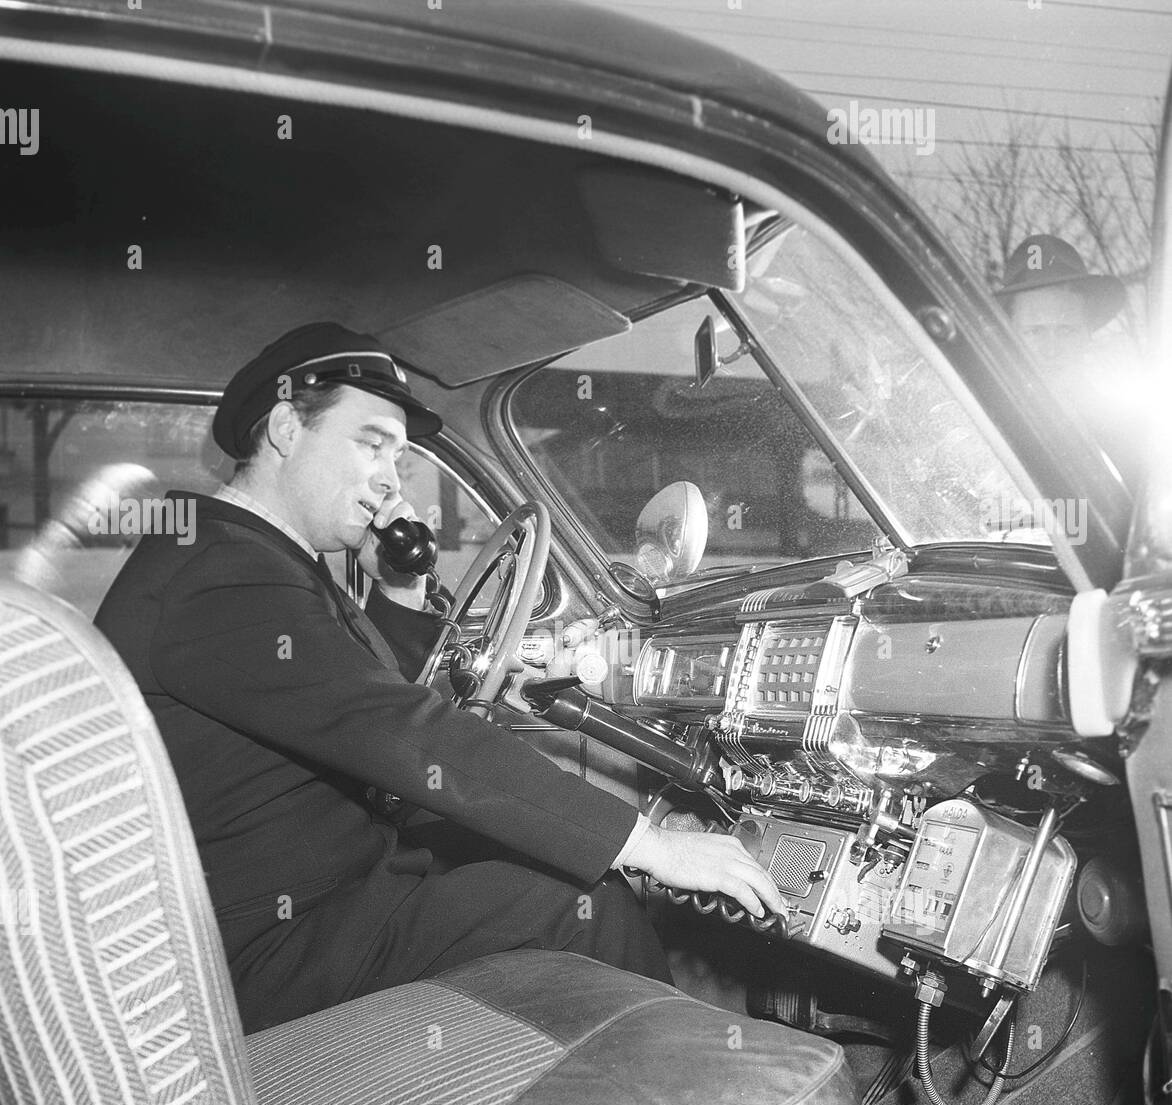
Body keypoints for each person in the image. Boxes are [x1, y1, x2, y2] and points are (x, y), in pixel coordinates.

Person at [95, 323, 782, 1032]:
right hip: (261, 955)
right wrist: (653, 844)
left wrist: (394, 596)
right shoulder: (223, 575)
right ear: (285, 428)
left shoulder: (252, 559)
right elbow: (397, 730)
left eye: (399, 455)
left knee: (527, 861)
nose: (393, 477)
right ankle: (675, 1104)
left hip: (320, 896)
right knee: (580, 906)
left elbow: (357, 704)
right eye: (371, 444)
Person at [996, 234, 1142, 489]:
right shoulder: (981, 425)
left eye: (1066, 330)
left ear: (1087, 335)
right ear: (1009, 337)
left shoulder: (1132, 435)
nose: (1051, 349)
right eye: (1035, 331)